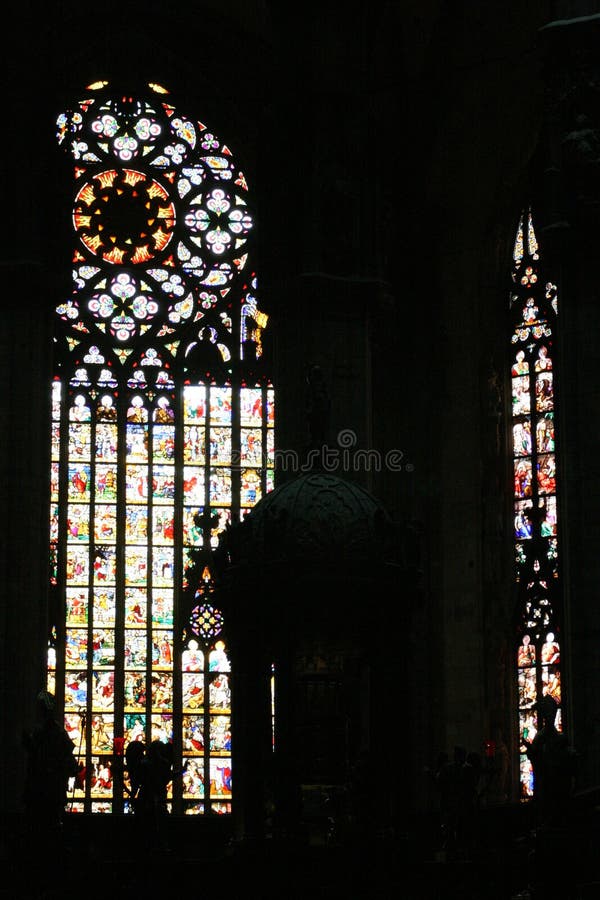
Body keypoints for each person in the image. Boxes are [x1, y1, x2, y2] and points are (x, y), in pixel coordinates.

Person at [22, 690, 78, 885]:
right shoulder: (54, 733)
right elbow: (68, 764)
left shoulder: (47, 733)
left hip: (44, 793)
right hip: (48, 793)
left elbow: (59, 762)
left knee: (43, 839)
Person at [523, 694, 577, 827]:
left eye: (550, 712)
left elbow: (566, 763)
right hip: (545, 786)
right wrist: (532, 751)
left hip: (557, 786)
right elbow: (538, 761)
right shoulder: (541, 737)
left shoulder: (559, 738)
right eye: (546, 712)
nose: (549, 716)